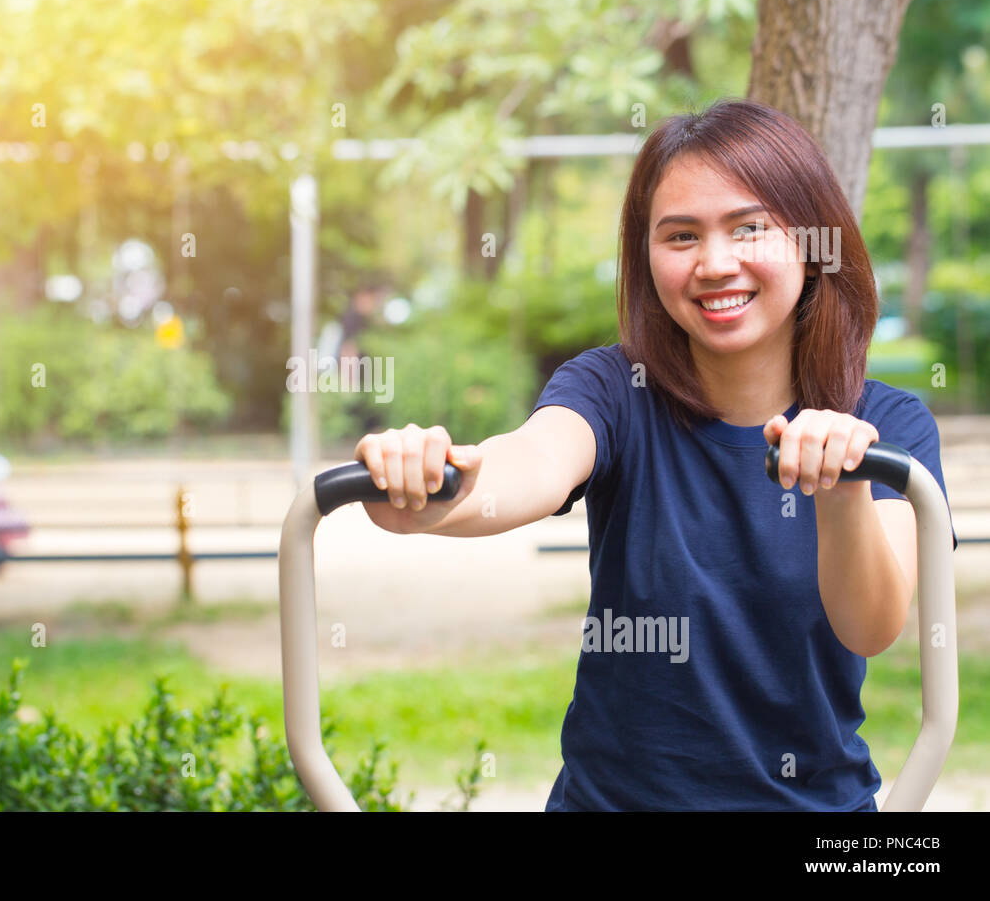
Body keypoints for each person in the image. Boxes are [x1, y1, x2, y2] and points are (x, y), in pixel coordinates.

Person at [352, 99, 958, 811]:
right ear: (646, 257)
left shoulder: (888, 425)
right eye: (680, 236)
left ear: (810, 241)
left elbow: (872, 624)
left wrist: (840, 488)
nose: (715, 263)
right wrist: (426, 485)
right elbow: (532, 467)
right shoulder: (614, 389)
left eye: (749, 227)